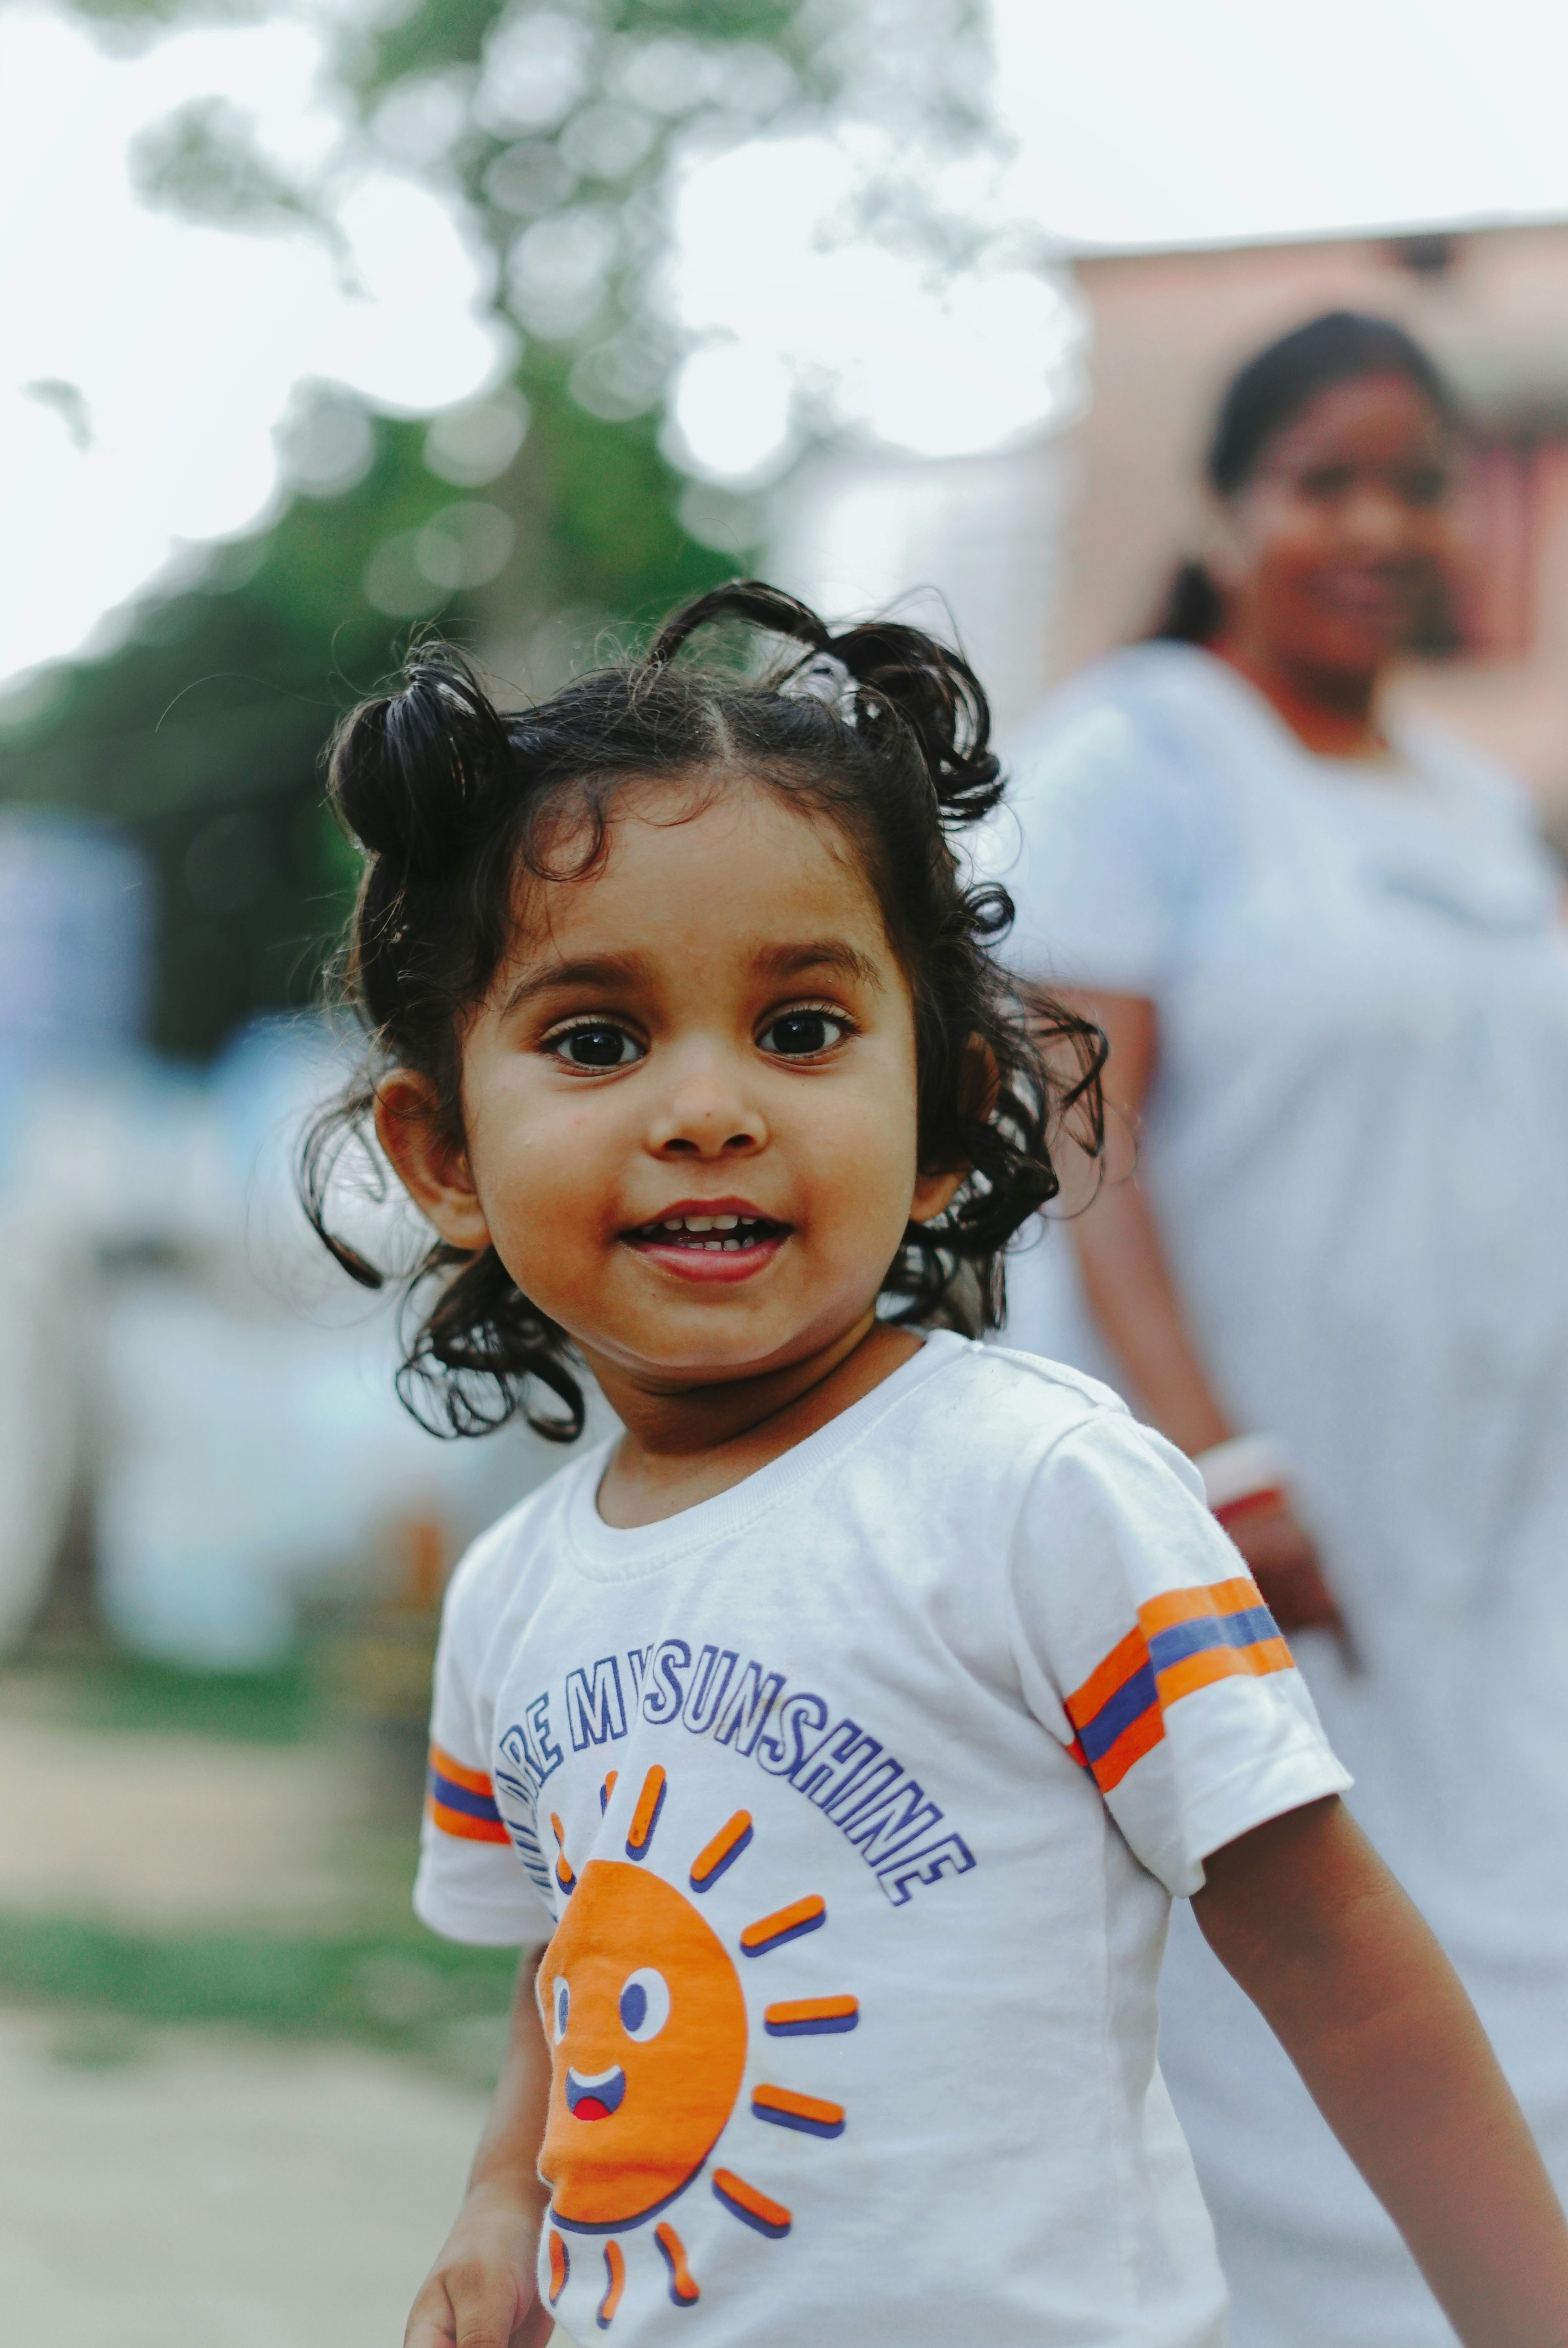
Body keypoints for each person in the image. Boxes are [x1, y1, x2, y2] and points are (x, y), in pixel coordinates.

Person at [303, 581, 1568, 2348]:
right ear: (441, 1150)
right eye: (598, 1040)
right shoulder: (516, 1596)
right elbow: (584, 1955)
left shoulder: (1042, 1492)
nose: (709, 1108)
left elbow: (1337, 1961)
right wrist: (503, 2194)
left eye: (804, 1029)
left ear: (942, 1112)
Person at [993, 311, 1568, 2346]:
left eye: (1417, 481)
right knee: (1290, 1950)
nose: (1377, 522)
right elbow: (1084, 1131)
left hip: (1498, 1524)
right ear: (1232, 509)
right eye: (1326, 476)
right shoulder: (1139, 754)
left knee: (1516, 1956)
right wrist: (1210, 1458)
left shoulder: (1474, 808)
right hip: (1259, 1515)